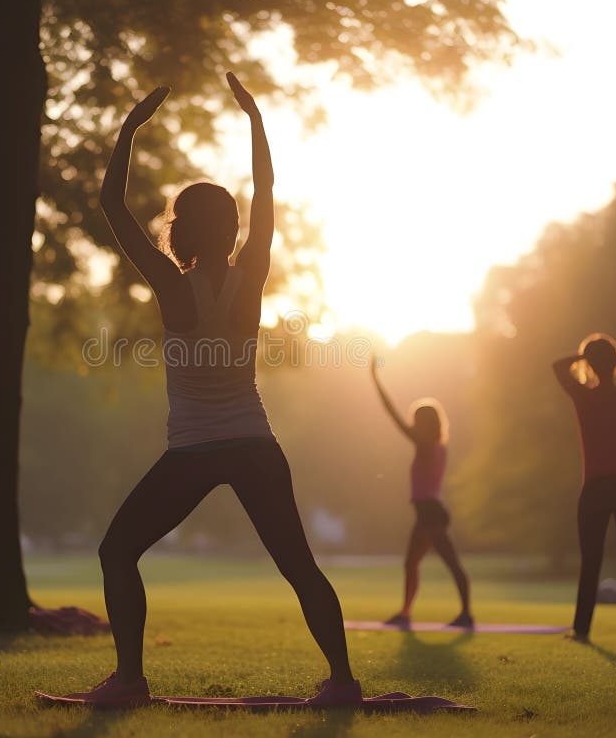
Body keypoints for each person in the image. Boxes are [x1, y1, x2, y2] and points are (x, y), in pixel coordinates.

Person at [57, 74, 360, 708]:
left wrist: (131, 129)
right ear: (229, 227)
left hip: (195, 450)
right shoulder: (253, 273)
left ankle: (131, 681)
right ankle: (342, 682)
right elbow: (268, 192)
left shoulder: (172, 285)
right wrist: (253, 120)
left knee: (117, 552)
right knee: (299, 565)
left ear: (183, 229)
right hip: (253, 443)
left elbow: (112, 206)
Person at [370, 358, 472, 629]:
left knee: (449, 562)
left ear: (424, 423)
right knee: (412, 563)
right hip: (429, 511)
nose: (412, 424)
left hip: (430, 513)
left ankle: (465, 614)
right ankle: (405, 613)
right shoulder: (437, 445)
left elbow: (393, 416)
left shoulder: (426, 444)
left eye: (416, 420)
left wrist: (376, 380)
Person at [553, 333, 616, 643]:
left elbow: (558, 367)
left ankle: (582, 629)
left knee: (591, 561)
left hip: (597, 487)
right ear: (615, 364)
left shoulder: (584, 396)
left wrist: (588, 358)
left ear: (590, 364)